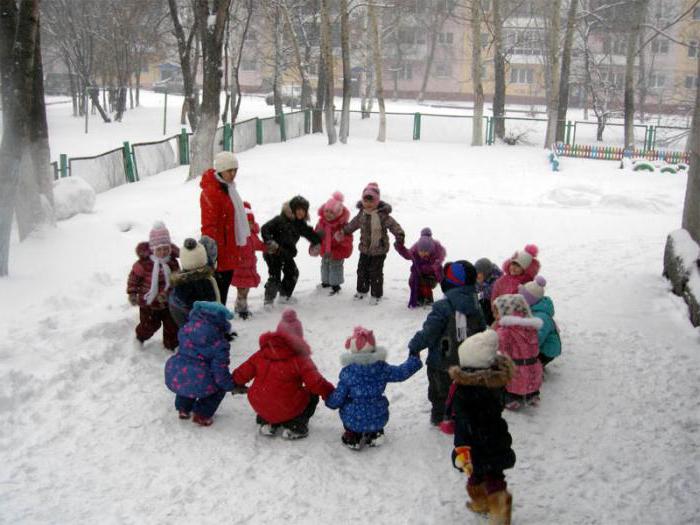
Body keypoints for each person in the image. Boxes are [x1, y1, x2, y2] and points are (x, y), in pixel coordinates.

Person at [232, 309, 334, 439]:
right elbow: (316, 383)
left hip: (259, 403)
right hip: (286, 406)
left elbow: (242, 373)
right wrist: (330, 394)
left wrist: (233, 382)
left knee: (269, 396)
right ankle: (295, 425)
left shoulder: (262, 353)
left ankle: (267, 422)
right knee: (312, 395)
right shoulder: (300, 359)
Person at [449, 329, 516, 524]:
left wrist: (460, 448)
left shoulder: (465, 391)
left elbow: (462, 421)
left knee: (477, 475)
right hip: (495, 437)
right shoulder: (493, 383)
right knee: (493, 474)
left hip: (472, 444)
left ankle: (488, 505)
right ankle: (494, 506)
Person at [407, 261, 486, 426]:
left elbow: (429, 333)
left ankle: (441, 416)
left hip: (442, 362)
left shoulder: (443, 306)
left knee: (439, 392)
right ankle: (460, 413)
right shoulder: (475, 303)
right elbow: (481, 330)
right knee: (463, 389)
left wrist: (415, 345)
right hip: (467, 360)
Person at [325, 327, 422, 450]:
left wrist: (329, 401)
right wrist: (414, 360)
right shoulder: (381, 368)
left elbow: (338, 397)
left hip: (354, 419)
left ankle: (353, 435)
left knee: (347, 404)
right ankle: (375, 433)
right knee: (374, 410)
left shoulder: (348, 373)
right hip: (378, 416)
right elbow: (401, 373)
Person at [164, 301, 237, 426]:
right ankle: (202, 414)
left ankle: (183, 408)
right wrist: (229, 384)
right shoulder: (220, 343)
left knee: (188, 381)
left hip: (178, 372)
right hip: (199, 377)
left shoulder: (185, 330)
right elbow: (220, 371)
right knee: (217, 388)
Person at [339, 182, 405, 305]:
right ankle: (362, 291)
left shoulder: (382, 215)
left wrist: (399, 234)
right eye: (366, 201)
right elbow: (353, 224)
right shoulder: (362, 214)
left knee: (376, 272)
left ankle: (376, 294)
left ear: (376, 202)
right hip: (364, 249)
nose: (368, 204)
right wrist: (344, 231)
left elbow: (393, 225)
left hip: (379, 250)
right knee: (362, 270)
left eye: (371, 201)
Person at [200, 151, 251, 305]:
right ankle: (217, 325)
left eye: (235, 170)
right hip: (220, 252)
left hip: (229, 248)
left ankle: (219, 324)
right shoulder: (212, 192)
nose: (233, 174)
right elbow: (209, 226)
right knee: (218, 294)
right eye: (230, 170)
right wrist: (212, 253)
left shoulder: (227, 188)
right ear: (221, 170)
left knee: (222, 290)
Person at [127, 221, 180, 350]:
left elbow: (176, 280)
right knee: (149, 325)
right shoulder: (143, 264)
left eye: (166, 248)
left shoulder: (172, 262)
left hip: (168, 302)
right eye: (159, 249)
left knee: (172, 326)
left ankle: (171, 345)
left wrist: (168, 293)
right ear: (152, 249)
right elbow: (134, 278)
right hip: (148, 303)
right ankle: (140, 337)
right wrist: (133, 293)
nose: (163, 252)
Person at [260, 196, 321, 307]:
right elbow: (265, 228)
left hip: (286, 253)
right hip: (273, 252)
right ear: (292, 209)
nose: (300, 212)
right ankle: (268, 301)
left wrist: (319, 241)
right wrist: (270, 242)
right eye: (298, 209)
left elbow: (309, 233)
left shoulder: (300, 224)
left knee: (292, 272)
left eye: (303, 210)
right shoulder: (280, 220)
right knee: (275, 276)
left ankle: (284, 296)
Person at [493, 293, 543, 409]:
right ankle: (532, 395)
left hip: (517, 371)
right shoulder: (531, 327)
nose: (495, 316)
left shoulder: (505, 330)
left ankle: (513, 399)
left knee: (511, 383)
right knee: (530, 381)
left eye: (496, 312)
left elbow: (499, 346)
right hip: (534, 368)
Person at [168, 238, 220, 328]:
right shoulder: (203, 282)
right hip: (201, 330)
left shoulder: (179, 283)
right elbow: (211, 307)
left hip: (189, 331)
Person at [231, 202, 266, 319]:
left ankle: (240, 307)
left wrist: (268, 247)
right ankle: (241, 310)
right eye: (247, 223)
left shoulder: (252, 236)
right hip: (240, 268)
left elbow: (259, 245)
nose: (250, 225)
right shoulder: (238, 236)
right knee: (242, 291)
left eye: (251, 222)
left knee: (245, 290)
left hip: (249, 268)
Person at [395, 227, 446, 308]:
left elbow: (439, 272)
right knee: (413, 281)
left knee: (425, 283)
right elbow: (408, 254)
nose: (423, 254)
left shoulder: (436, 256)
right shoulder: (416, 248)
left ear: (431, 250)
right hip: (418, 273)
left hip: (431, 276)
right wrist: (400, 247)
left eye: (426, 252)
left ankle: (428, 299)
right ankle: (418, 298)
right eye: (421, 251)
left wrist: (443, 284)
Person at [314, 191, 353, 295]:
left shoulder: (342, 227)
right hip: (325, 252)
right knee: (325, 266)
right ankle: (326, 283)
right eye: (327, 211)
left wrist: (340, 242)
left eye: (332, 212)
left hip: (336, 253)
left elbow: (348, 242)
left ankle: (336, 286)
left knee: (335, 268)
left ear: (338, 213)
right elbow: (316, 236)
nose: (328, 214)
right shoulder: (321, 223)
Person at [518, 276, 561, 368]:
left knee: (524, 363)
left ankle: (535, 368)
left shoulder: (541, 318)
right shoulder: (533, 309)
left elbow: (537, 339)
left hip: (546, 351)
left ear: (529, 300)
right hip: (540, 346)